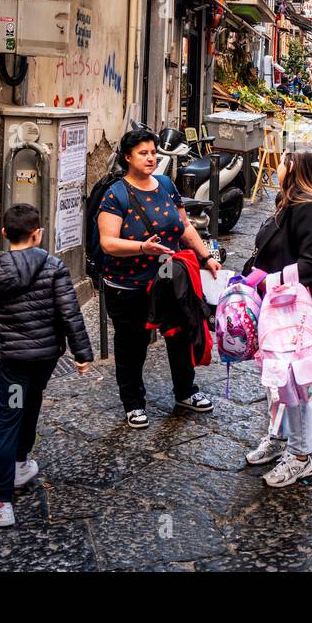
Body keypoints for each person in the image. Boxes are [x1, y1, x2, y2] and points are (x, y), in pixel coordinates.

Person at [0, 203, 93, 527]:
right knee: (31, 405)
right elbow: (70, 313)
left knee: (7, 420)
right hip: (46, 358)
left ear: (3, 234)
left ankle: (2, 501)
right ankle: (21, 462)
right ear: (37, 234)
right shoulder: (54, 267)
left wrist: (9, 329)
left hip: (15, 359)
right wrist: (82, 355)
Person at [98, 128, 222, 428]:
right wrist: (143, 247)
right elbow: (108, 242)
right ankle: (133, 403)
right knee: (132, 343)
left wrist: (205, 257)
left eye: (153, 152)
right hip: (129, 285)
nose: (151, 157)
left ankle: (185, 391)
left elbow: (184, 226)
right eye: (143, 153)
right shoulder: (115, 194)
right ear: (128, 157)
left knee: (179, 334)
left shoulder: (166, 184)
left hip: (169, 279)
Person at [246, 148, 312, 487]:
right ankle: (278, 438)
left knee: (298, 388)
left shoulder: (310, 208)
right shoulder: (287, 200)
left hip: (303, 316)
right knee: (278, 383)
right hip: (281, 312)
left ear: (296, 167)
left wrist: (270, 280)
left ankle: (301, 456)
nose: (278, 165)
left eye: (284, 161)